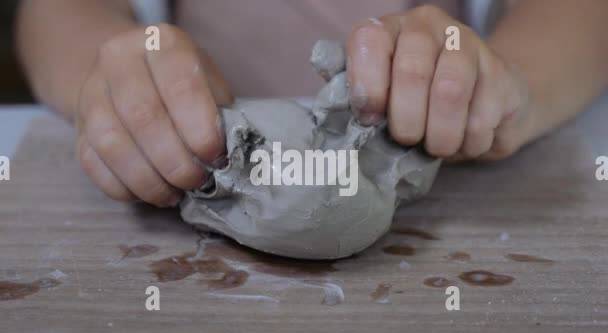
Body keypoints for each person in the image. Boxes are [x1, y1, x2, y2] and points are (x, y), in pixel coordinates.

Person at [15, 0, 608, 207]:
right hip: (203, 168)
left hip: (436, 175)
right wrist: (110, 76)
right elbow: (57, 8)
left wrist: (512, 83)